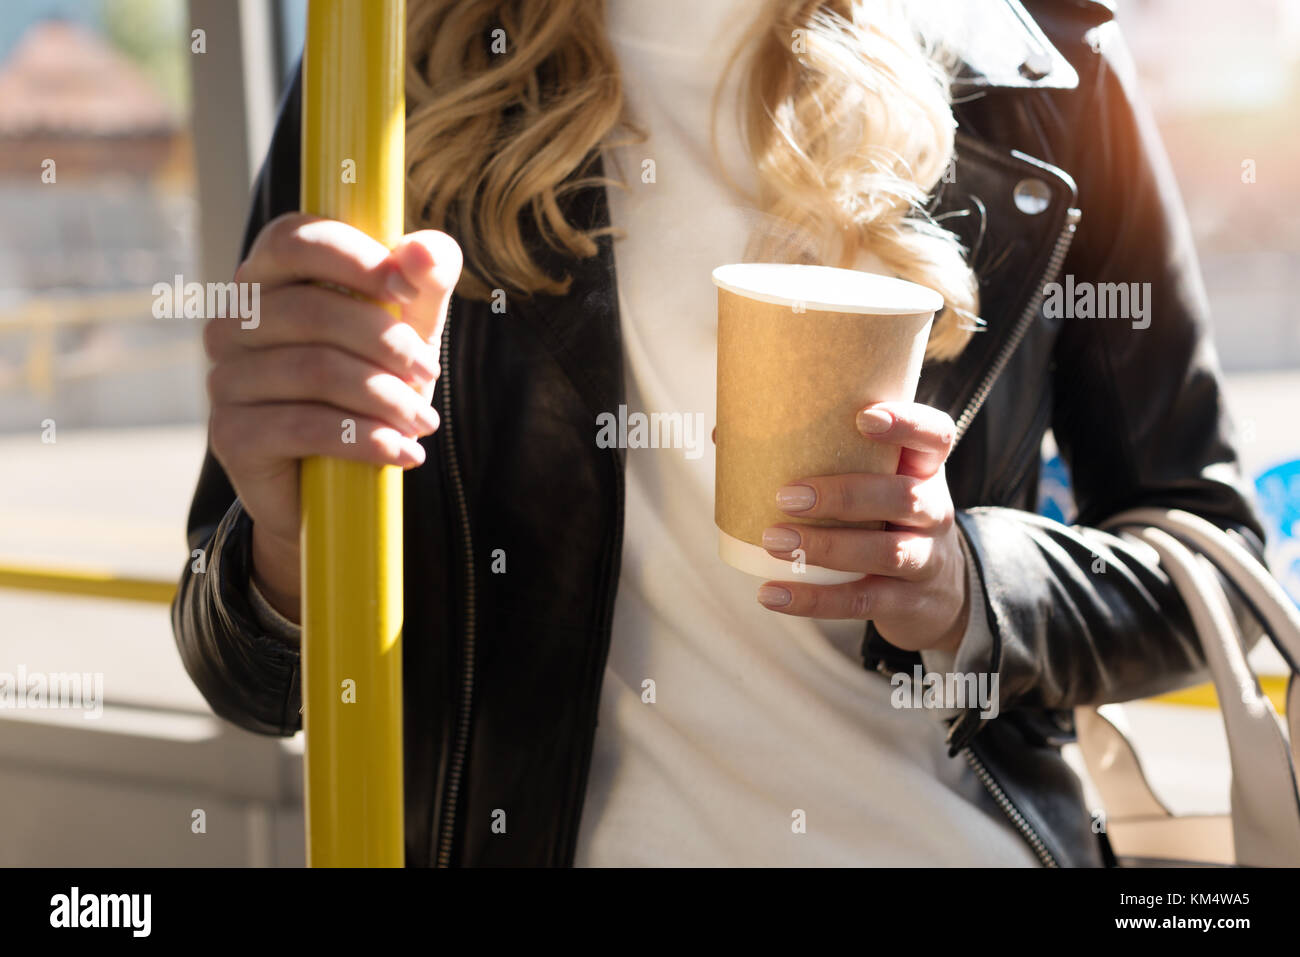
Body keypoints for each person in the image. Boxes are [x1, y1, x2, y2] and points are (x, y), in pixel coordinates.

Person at [173, 0, 1267, 866]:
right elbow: (249, 682)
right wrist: (295, 551)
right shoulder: (391, 61)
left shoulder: (1040, 61)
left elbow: (1213, 562)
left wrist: (966, 582)